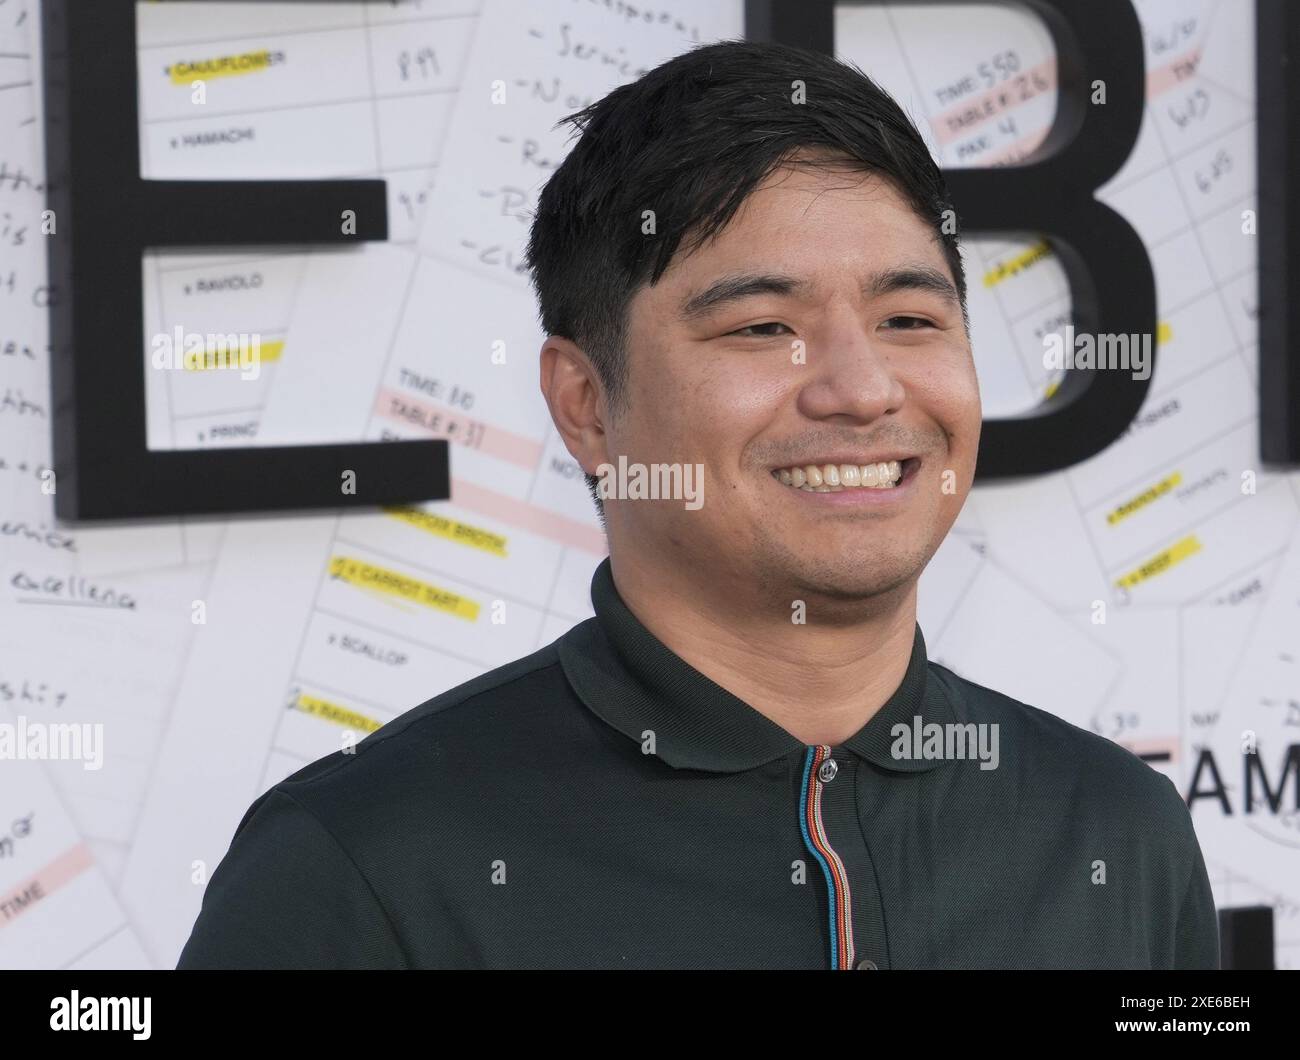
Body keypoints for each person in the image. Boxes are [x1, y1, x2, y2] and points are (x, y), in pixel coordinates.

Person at [177, 39, 1218, 970]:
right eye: (763, 328)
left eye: (908, 317)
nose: (860, 387)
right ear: (585, 403)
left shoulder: (1114, 830)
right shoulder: (363, 862)